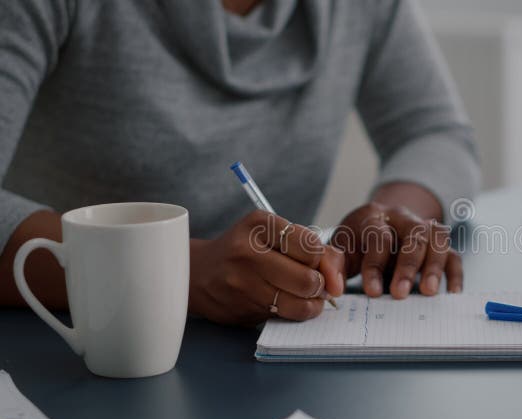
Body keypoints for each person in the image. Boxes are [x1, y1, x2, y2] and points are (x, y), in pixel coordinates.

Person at [0, 0, 480, 326]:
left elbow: (435, 134)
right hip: (67, 346)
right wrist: (176, 272)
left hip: (267, 355)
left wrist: (389, 216)